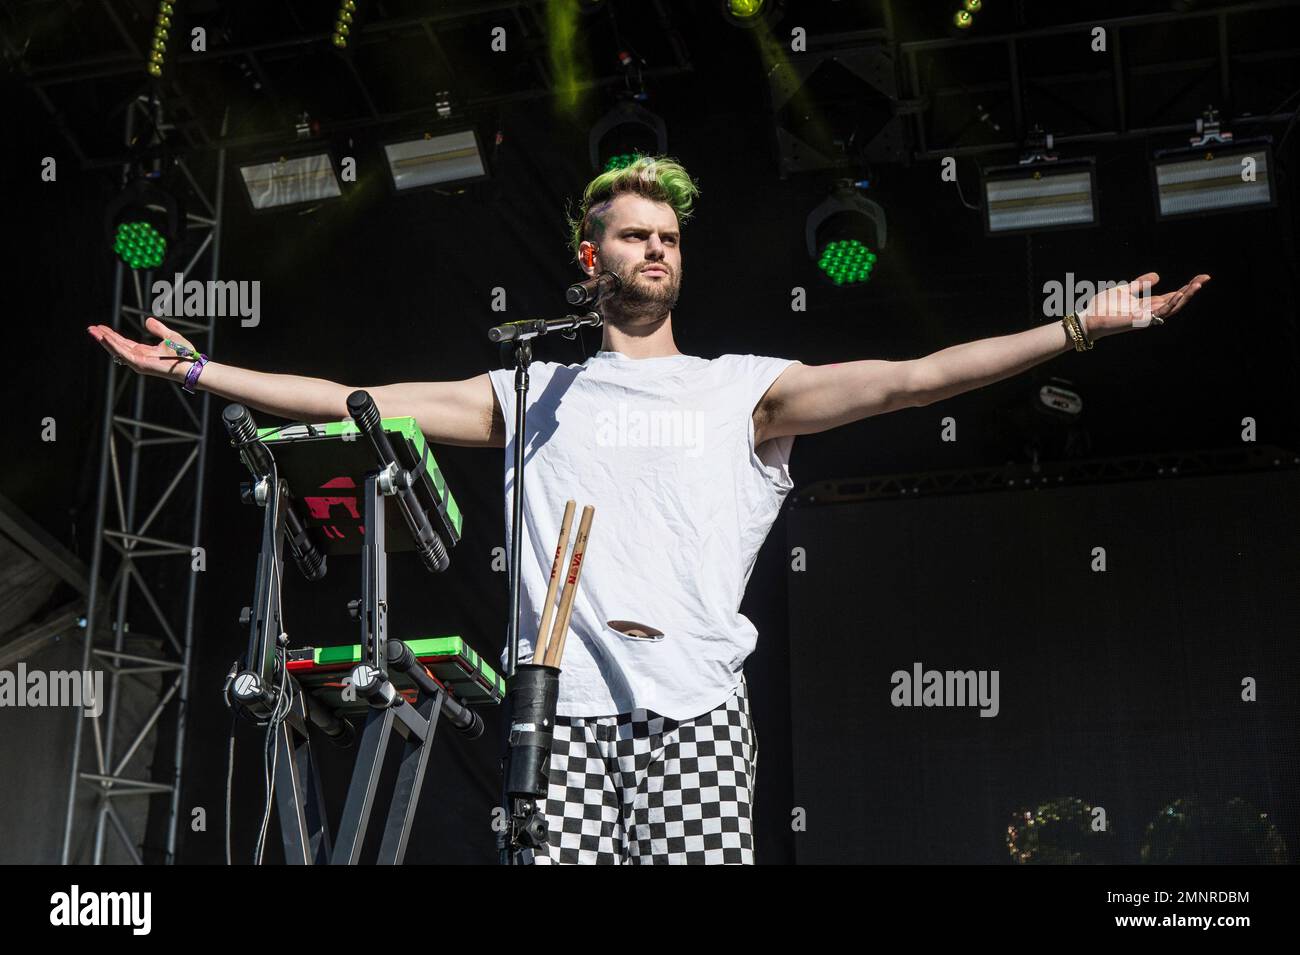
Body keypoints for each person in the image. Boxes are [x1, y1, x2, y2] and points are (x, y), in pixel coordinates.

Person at [88, 155, 1209, 865]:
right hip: (564, 718)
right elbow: (359, 402)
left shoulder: (743, 389)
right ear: (592, 257)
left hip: (697, 715)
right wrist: (202, 375)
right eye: (634, 234)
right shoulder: (531, 389)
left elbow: (918, 375)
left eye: (669, 237)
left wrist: (1079, 328)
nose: (657, 248)